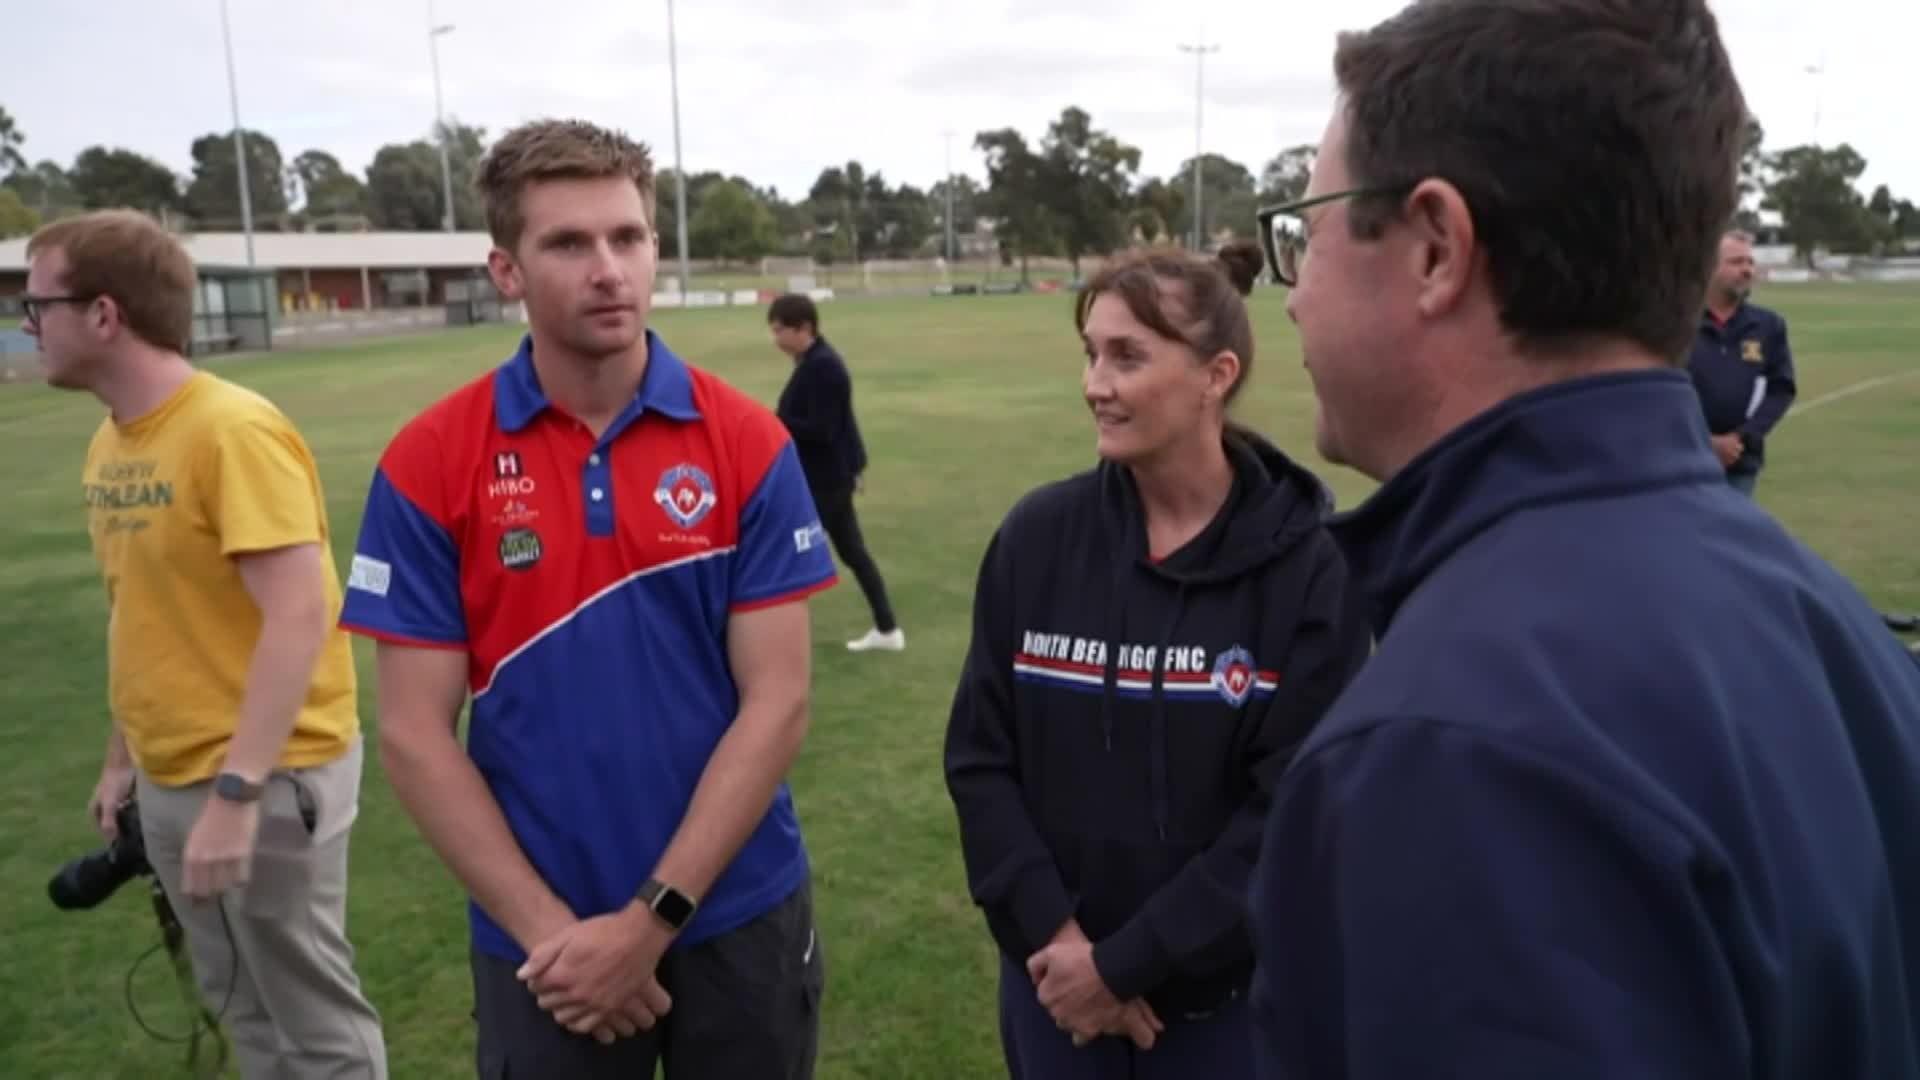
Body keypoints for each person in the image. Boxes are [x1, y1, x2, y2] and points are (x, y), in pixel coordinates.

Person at [1245, 2, 1920, 1078]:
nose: (1292, 299)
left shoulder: (1451, 747)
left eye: (1307, 231)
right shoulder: (1840, 633)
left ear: (1434, 248)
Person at [337, 118, 835, 1079]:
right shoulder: (431, 459)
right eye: (569, 242)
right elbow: (412, 732)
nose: (609, 268)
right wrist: (559, 937)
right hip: (545, 945)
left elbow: (778, 703)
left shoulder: (745, 443)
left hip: (735, 912)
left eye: (628, 237)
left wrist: (650, 922)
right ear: (506, 271)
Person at [944, 246, 1371, 1079]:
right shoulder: (1037, 538)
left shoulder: (1311, 569)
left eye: (1127, 356)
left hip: (1227, 1015)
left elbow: (1290, 813)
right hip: (1054, 999)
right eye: (1091, 353)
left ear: (1217, 374)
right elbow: (980, 761)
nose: (1094, 384)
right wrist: (1064, 950)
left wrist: (1127, 963)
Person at [25, 209, 388, 1079]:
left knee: (316, 1029)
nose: (27, 325)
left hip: (263, 782)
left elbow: (300, 613)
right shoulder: (110, 443)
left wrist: (236, 791)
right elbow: (138, 613)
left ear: (105, 315)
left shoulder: (230, 430)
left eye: (39, 306)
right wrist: (124, 760)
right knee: (242, 1013)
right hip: (174, 779)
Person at [767, 292, 905, 652]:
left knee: (787, 549)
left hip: (824, 482)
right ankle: (888, 629)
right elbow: (842, 424)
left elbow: (824, 428)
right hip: (826, 477)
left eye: (780, 330)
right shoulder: (811, 361)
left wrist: (775, 421)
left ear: (804, 329)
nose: (774, 338)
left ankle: (775, 636)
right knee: (851, 552)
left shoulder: (824, 366)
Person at [1687, 229, 1798, 495]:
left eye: (1750, 262)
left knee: (1729, 535)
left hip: (1740, 462)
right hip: (1684, 458)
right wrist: (1706, 442)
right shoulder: (1679, 324)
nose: (1747, 270)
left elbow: (1781, 389)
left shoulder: (1769, 325)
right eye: (1736, 262)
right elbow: (1662, 391)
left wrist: (1740, 438)